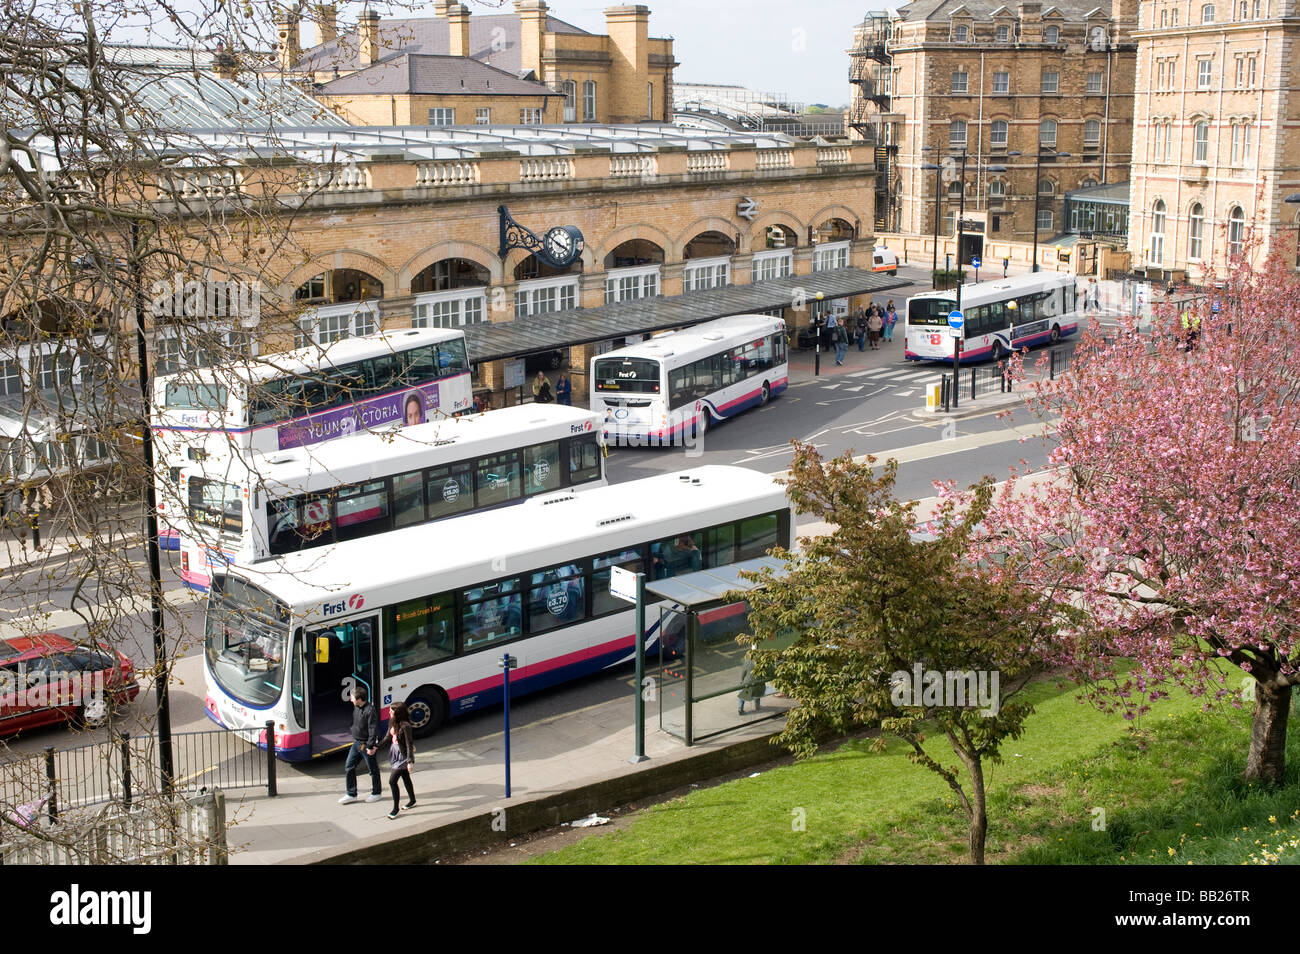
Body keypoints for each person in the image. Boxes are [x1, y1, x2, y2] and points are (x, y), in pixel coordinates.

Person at [339, 686, 383, 805]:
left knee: (372, 769)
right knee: (349, 766)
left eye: (352, 697)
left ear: (359, 699)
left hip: (365, 745)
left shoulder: (370, 710)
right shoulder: (357, 707)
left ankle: (377, 793)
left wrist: (370, 746)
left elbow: (373, 729)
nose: (350, 700)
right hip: (357, 742)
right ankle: (351, 794)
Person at [385, 701, 416, 819]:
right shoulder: (393, 721)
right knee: (405, 777)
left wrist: (410, 761)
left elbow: (409, 745)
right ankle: (412, 800)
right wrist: (376, 747)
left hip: (402, 756)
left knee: (392, 781)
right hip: (395, 752)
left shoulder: (406, 726)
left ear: (397, 713)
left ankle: (395, 808)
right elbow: (388, 736)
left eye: (391, 711)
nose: (389, 712)